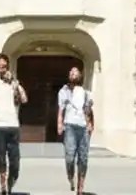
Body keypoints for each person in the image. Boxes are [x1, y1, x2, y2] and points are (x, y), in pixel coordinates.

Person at [0, 52, 26, 195]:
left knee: (15, 162)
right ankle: (3, 187)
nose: (1, 69)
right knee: (0, 159)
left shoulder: (14, 83)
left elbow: (24, 99)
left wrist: (15, 82)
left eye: (4, 66)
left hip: (12, 125)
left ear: (7, 66)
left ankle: (10, 184)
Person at [57, 65, 94, 195]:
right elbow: (61, 109)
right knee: (70, 158)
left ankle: (80, 188)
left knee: (83, 158)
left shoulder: (86, 92)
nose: (73, 74)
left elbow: (89, 111)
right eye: (71, 72)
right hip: (70, 126)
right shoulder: (64, 91)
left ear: (80, 76)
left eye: (76, 72)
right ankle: (71, 177)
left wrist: (90, 124)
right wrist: (60, 124)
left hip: (83, 127)